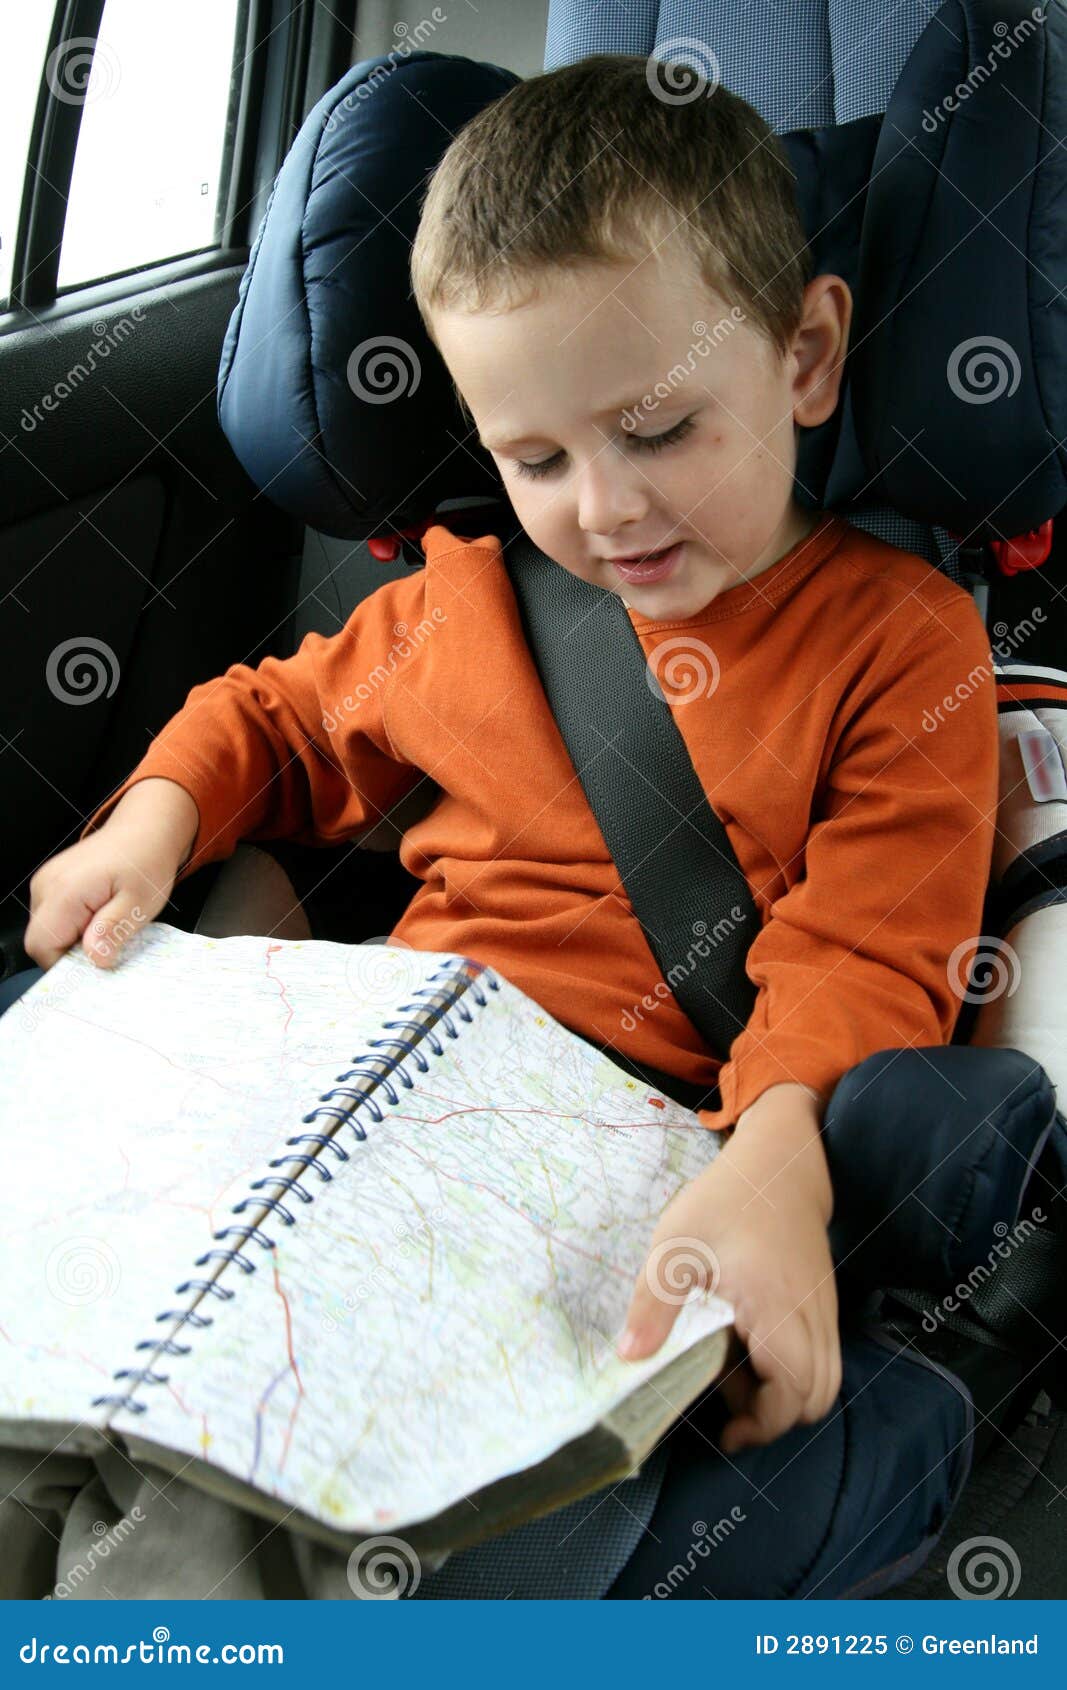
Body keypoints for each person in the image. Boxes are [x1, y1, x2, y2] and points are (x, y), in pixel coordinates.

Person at [5, 55, 1001, 1597]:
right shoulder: (462, 605)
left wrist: (780, 1146)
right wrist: (151, 821)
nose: (602, 509)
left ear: (806, 355)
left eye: (659, 428)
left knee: (218, 1530)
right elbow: (269, 716)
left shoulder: (900, 644)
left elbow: (869, 944)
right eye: (535, 458)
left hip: (601, 1150)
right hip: (348, 1094)